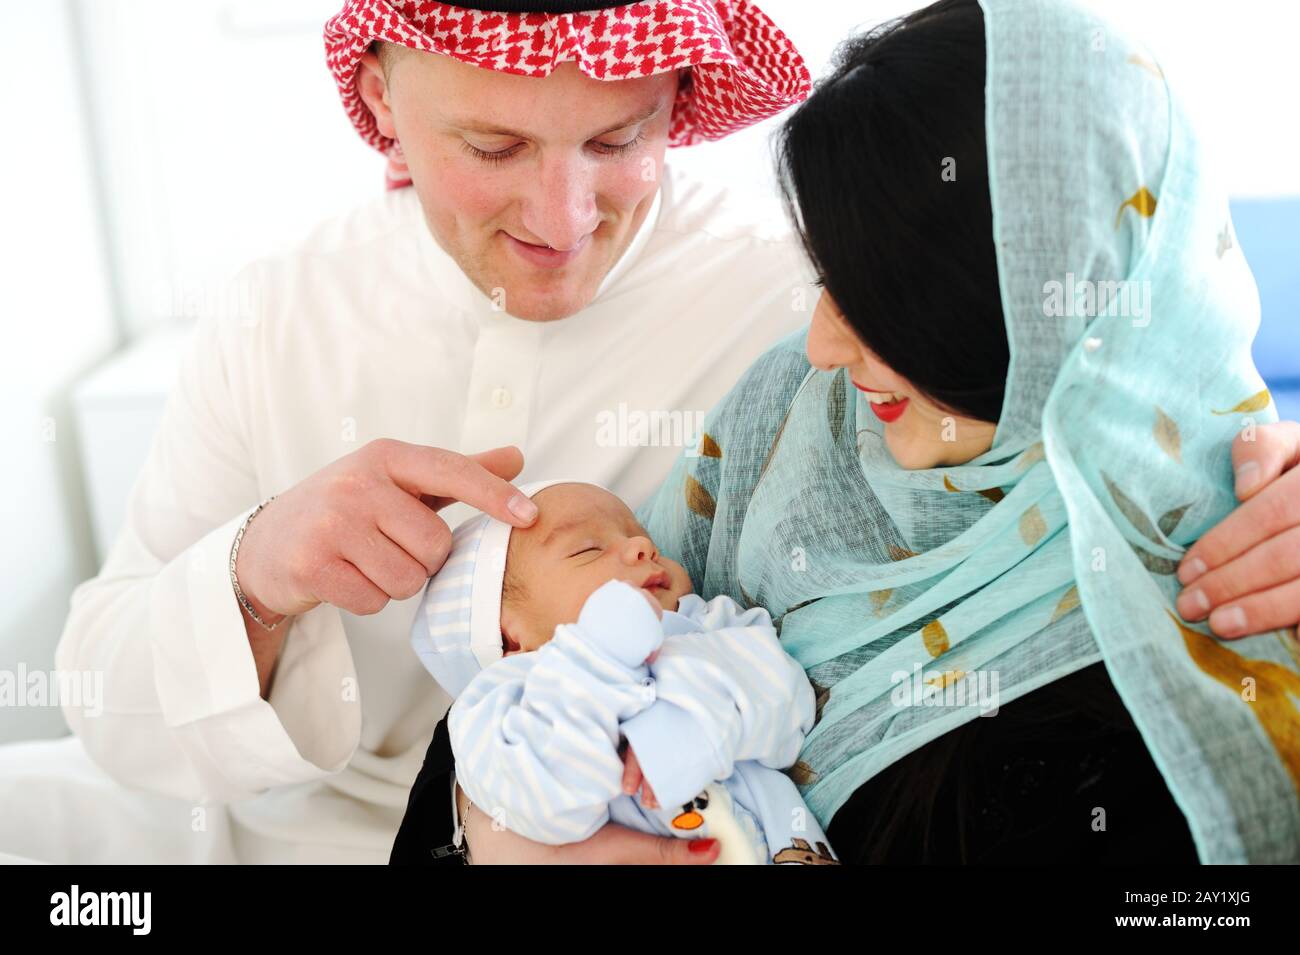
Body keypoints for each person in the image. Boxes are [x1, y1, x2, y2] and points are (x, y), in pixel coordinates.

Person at [415, 0, 1300, 864]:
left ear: (1027, 323)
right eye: (825, 279)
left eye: (882, 308)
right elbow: (508, 680)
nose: (822, 344)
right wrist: (492, 828)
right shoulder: (785, 420)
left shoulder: (1205, 641)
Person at [0, 0, 814, 865]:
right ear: (381, 102)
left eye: (617, 141)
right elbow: (108, 705)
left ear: (679, 94)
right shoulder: (277, 312)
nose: (563, 216)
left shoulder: (788, 310)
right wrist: (257, 572)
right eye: (493, 148)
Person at [399, 479, 838, 864]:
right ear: (511, 635)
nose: (641, 547)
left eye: (645, 539)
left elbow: (789, 704)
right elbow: (547, 802)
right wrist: (598, 663)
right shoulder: (496, 706)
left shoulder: (712, 627)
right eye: (589, 549)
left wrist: (670, 730)